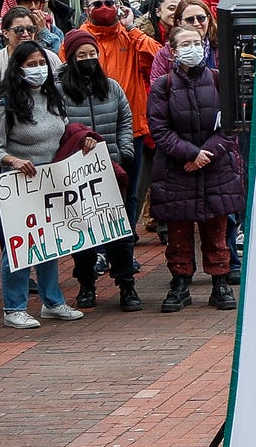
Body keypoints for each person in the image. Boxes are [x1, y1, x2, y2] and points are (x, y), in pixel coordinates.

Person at [0, 40, 90, 327]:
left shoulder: (52, 98)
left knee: (49, 241)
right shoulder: (3, 105)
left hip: (49, 182)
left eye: (41, 63)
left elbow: (63, 132)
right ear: (17, 69)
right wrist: (14, 161)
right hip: (17, 186)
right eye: (31, 65)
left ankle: (52, 301)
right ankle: (14, 307)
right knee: (20, 246)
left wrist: (82, 142)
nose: (39, 70)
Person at [147, 21, 244, 311]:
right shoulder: (163, 87)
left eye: (197, 43)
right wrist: (189, 154)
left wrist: (206, 154)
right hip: (177, 171)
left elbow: (230, 126)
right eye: (185, 44)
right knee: (178, 234)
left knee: (217, 230)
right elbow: (160, 129)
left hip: (216, 170)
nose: (193, 49)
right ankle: (180, 284)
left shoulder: (218, 80)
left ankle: (220, 284)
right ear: (173, 51)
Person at [54, 26, 142, 310]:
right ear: (70, 57)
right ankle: (86, 284)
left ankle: (126, 285)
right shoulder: (59, 90)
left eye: (92, 53)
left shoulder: (112, 87)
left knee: (120, 232)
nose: (88, 59)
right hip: (78, 174)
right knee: (83, 234)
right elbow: (57, 126)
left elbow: (125, 120)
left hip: (111, 168)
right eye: (82, 55)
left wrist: (124, 150)